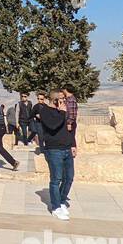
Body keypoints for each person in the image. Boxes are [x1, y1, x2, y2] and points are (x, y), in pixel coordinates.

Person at [38, 91, 76, 220]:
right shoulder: (45, 111)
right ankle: (55, 207)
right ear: (55, 100)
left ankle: (61, 200)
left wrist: (73, 144)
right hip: (54, 150)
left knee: (69, 177)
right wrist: (63, 113)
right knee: (56, 179)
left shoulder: (62, 112)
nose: (64, 101)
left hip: (66, 148)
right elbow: (53, 126)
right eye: (62, 99)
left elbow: (69, 129)